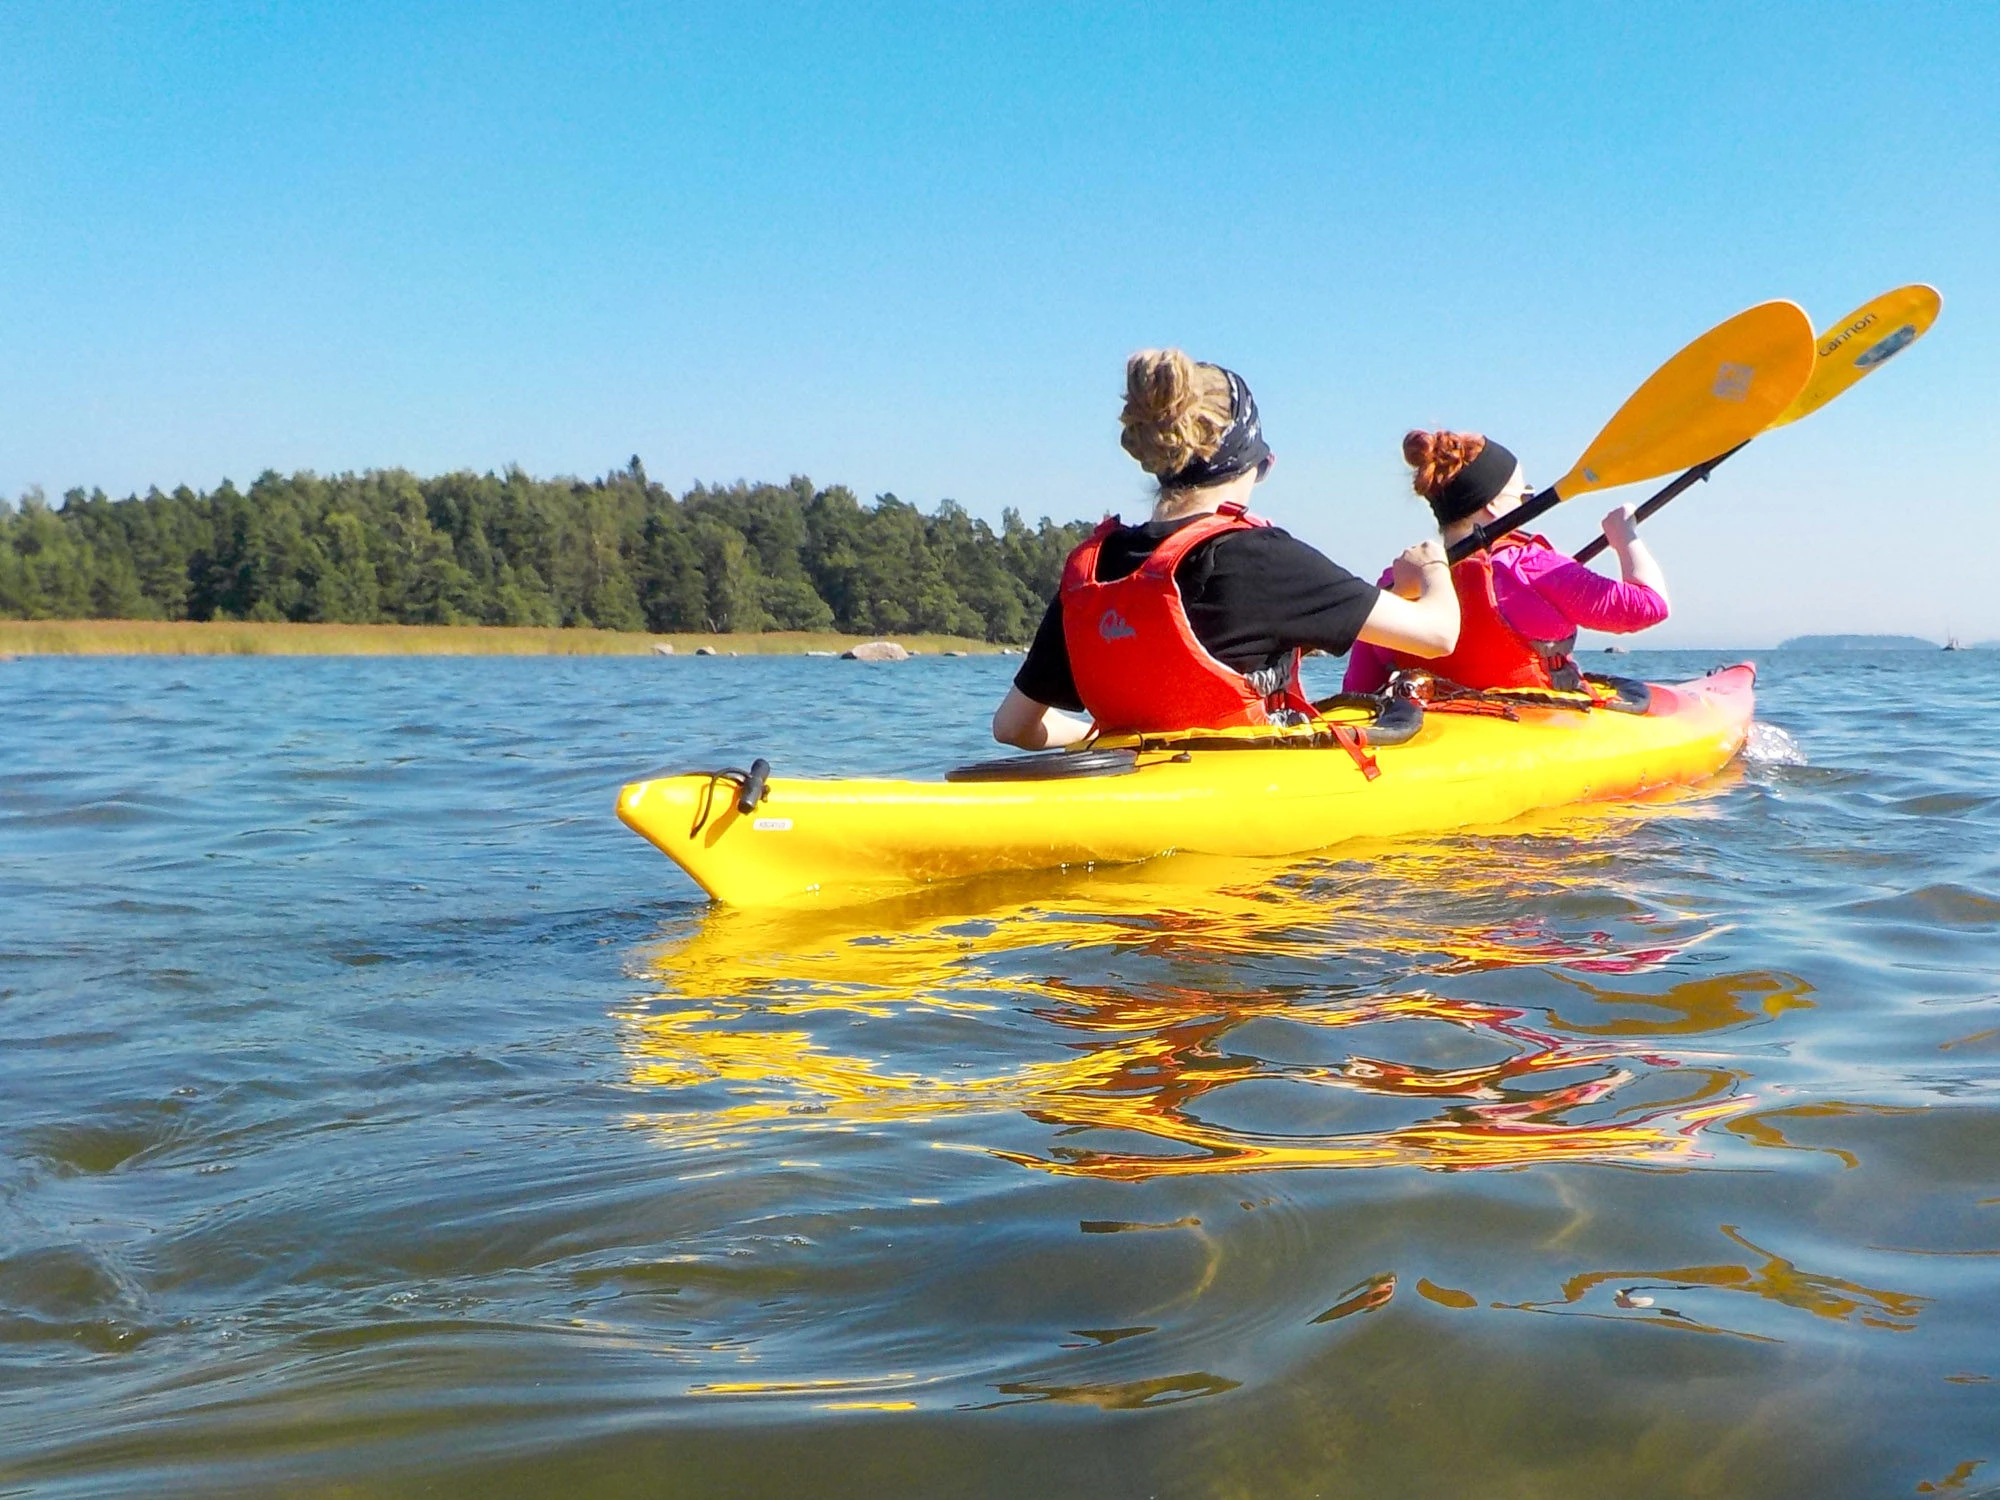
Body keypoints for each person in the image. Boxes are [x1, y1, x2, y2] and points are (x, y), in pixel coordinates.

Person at [992, 350, 1460, 748]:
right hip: (1248, 805)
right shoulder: (1262, 557)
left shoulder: (1093, 570)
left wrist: (1117, 747)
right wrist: (1432, 565)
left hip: (1131, 786)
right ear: (1252, 464)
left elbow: (1013, 727)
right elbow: (1439, 636)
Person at [1343, 429, 1670, 694]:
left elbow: (1358, 689)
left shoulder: (1395, 582)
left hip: (1434, 730)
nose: (1528, 501)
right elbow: (1649, 606)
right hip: (1535, 725)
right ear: (1496, 506)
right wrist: (1624, 536)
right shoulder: (1534, 568)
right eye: (1524, 496)